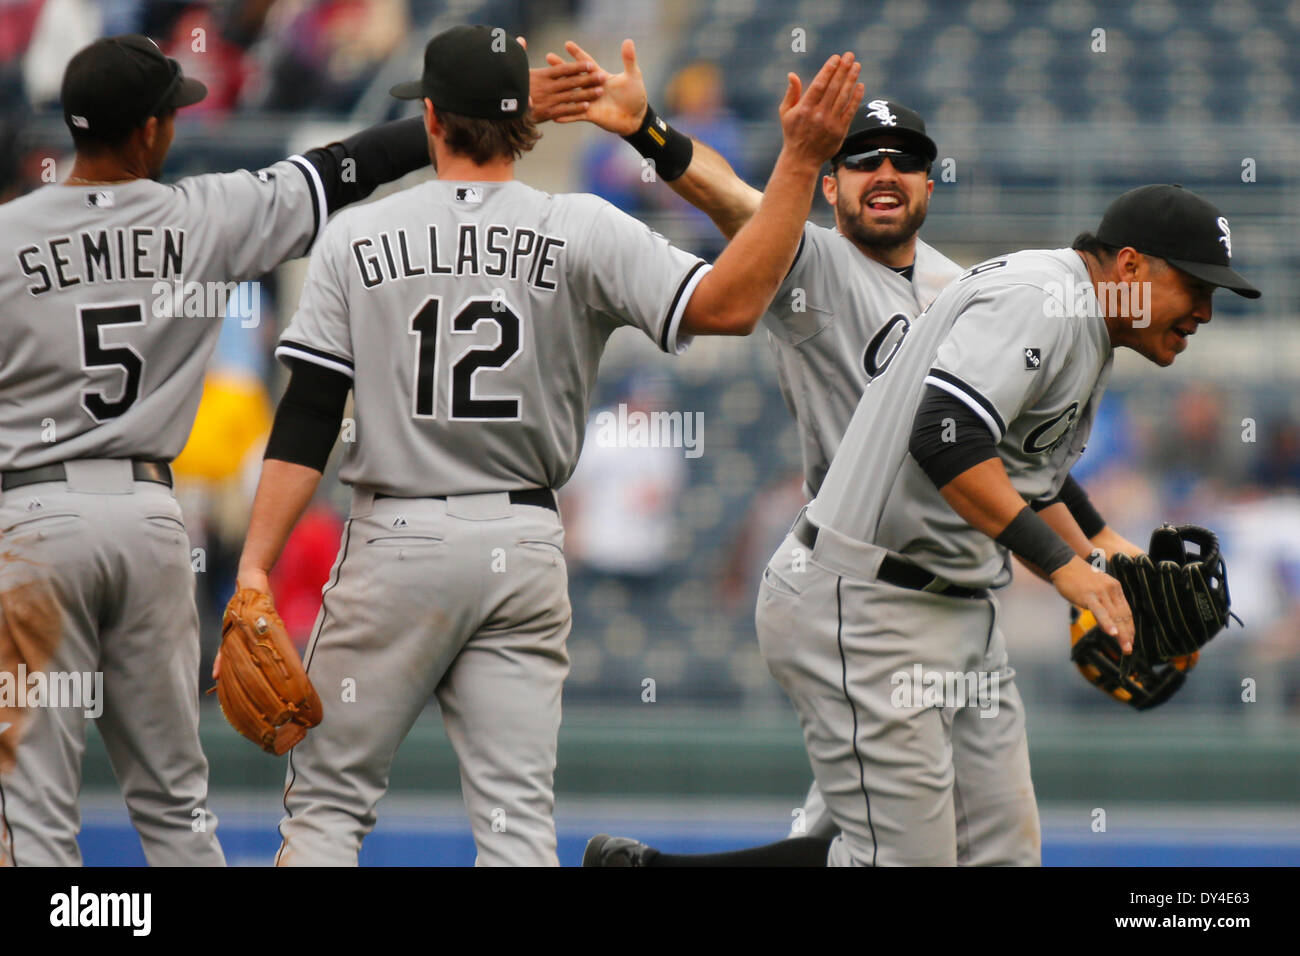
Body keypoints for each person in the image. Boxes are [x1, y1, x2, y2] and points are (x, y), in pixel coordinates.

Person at [228, 25, 863, 866]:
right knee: (516, 825)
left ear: (430, 117)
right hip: (523, 545)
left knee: (329, 812)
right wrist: (796, 167)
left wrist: (253, 568)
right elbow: (732, 304)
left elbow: (308, 415)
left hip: (397, 541)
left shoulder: (358, 236)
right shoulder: (583, 228)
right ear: (525, 125)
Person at [0, 30, 551, 867]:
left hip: (30, 521)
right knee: (176, 805)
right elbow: (349, 166)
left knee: (37, 816)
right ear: (150, 131)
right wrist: (483, 111)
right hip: (150, 522)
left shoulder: (6, 238)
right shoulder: (204, 216)